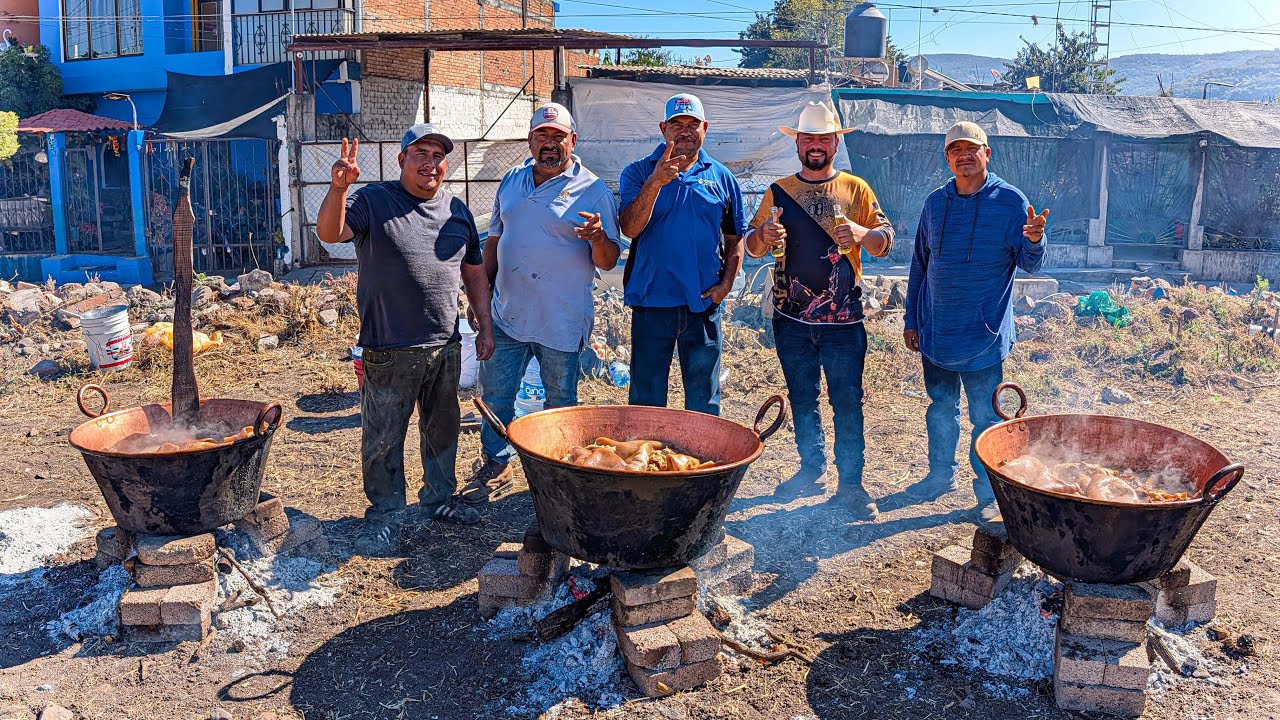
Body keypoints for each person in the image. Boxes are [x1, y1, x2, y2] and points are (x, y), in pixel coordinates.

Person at [316, 125, 496, 554]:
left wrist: (485, 324)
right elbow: (329, 233)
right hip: (389, 345)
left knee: (442, 429)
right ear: (402, 160)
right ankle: (385, 514)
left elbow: (473, 272)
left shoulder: (456, 210)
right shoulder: (374, 200)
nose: (430, 163)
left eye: (438, 155)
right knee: (384, 436)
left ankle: (438, 499)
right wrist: (338, 188)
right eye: (421, 153)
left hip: (444, 343)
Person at [460, 103, 622, 503]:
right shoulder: (512, 180)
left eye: (558, 136)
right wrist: (482, 296)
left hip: (561, 320)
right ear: (530, 140)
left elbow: (608, 260)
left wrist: (598, 237)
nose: (550, 144)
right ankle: (496, 463)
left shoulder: (593, 190)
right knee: (496, 395)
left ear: (573, 140)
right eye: (542, 136)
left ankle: (558, 472)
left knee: (560, 402)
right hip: (508, 314)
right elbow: (495, 239)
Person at [744, 102, 894, 520]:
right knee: (802, 397)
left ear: (834, 144)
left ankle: (851, 485)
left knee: (847, 401)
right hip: (791, 320)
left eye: (823, 139)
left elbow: (885, 242)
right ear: (797, 145)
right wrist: (763, 234)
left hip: (845, 323)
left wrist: (862, 233)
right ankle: (812, 469)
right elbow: (752, 248)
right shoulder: (778, 192)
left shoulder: (856, 189)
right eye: (808, 138)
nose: (815, 146)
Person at [901, 121, 1049, 523]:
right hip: (936, 331)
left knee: (985, 416)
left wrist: (1035, 239)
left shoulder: (1011, 202)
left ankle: (987, 489)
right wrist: (912, 318)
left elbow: (1030, 264)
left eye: (972, 149)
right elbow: (920, 264)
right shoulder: (935, 204)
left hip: (984, 334)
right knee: (940, 407)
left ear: (987, 153)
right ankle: (939, 476)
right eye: (956, 150)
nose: (964, 156)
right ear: (947, 158)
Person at [618, 93, 747, 415]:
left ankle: (702, 450)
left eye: (693, 124)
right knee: (646, 401)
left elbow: (735, 238)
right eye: (677, 124)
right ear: (663, 129)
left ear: (705, 128)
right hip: (651, 301)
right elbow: (629, 228)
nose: (685, 131)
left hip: (701, 303)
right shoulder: (638, 172)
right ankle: (647, 448)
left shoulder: (721, 177)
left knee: (704, 401)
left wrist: (726, 285)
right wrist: (655, 182)